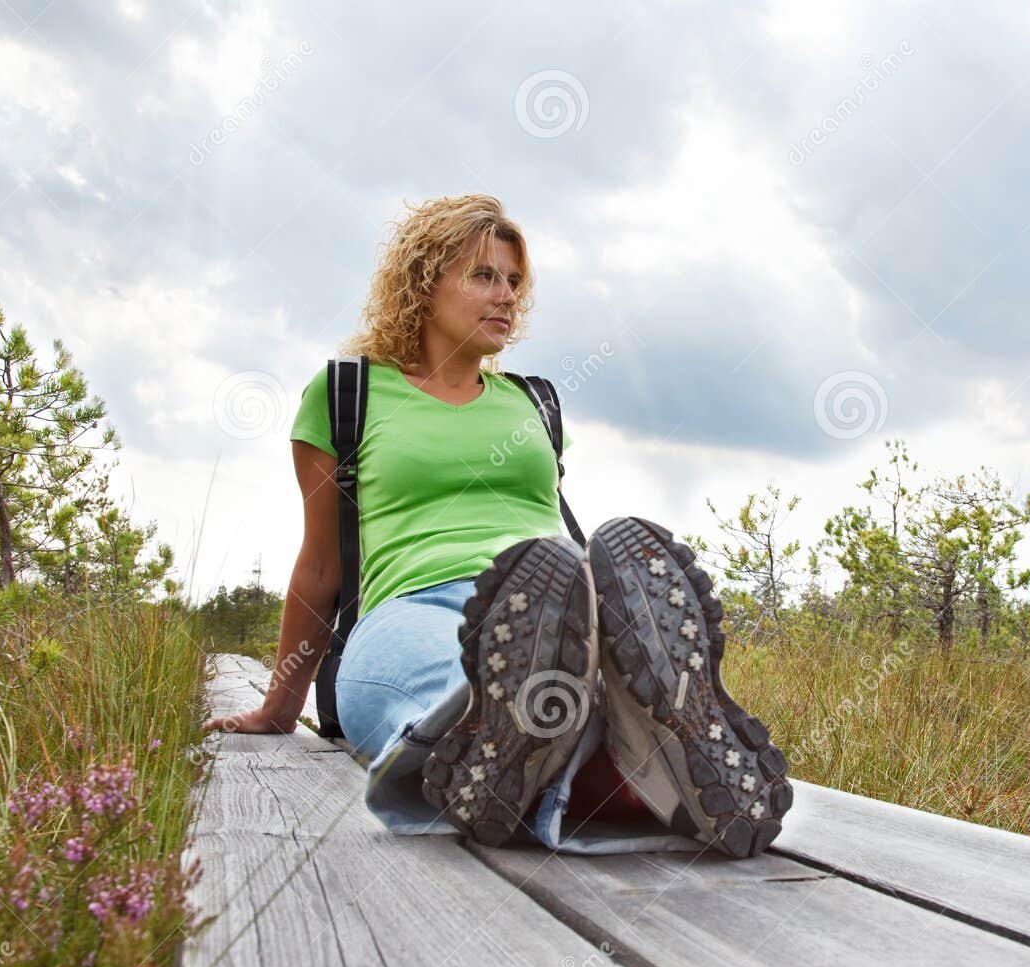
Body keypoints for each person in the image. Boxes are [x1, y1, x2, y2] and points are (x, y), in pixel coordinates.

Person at [203, 194, 791, 859]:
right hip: (413, 609)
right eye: (483, 275)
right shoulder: (346, 394)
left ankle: (585, 741)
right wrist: (281, 707)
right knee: (458, 688)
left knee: (568, 638)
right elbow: (320, 565)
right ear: (423, 284)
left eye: (514, 281)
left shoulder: (532, 401)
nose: (506, 295)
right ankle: (604, 760)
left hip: (568, 611)